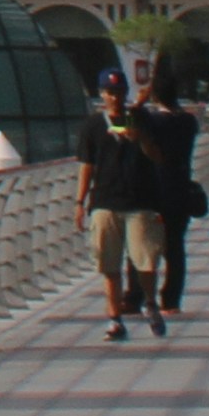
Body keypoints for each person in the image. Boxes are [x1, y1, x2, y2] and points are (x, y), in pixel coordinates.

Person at [79, 75, 170, 342]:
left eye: (118, 91)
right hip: (105, 201)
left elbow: (159, 157)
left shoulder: (141, 119)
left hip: (140, 201)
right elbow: (87, 165)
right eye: (109, 92)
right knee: (109, 264)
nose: (114, 97)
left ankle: (150, 302)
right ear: (102, 94)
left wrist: (140, 139)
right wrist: (79, 202)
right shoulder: (94, 125)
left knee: (146, 261)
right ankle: (114, 319)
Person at [128, 59, 203, 320]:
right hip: (181, 188)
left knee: (141, 244)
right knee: (175, 247)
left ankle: (135, 296)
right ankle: (171, 299)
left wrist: (139, 101)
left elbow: (129, 124)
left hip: (152, 189)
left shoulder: (152, 120)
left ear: (156, 95)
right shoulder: (189, 122)